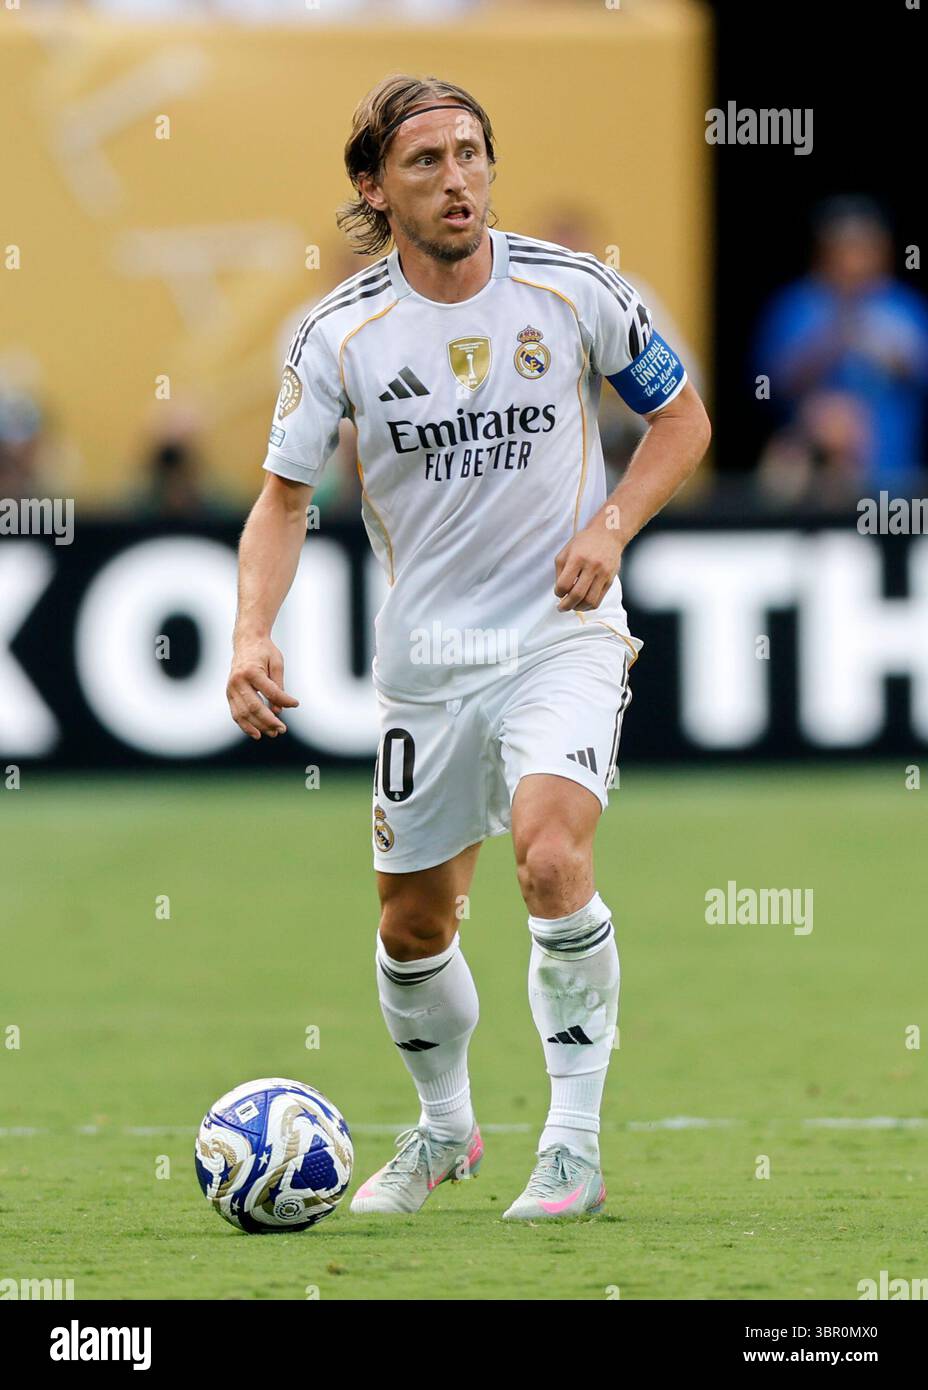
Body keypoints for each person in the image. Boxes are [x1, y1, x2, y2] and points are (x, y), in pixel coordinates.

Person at [227, 75, 710, 1221]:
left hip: (562, 636)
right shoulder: (339, 333)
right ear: (373, 186)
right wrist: (252, 632)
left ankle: (574, 1147)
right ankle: (447, 1130)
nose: (458, 180)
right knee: (412, 924)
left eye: (472, 154)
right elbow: (282, 501)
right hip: (426, 666)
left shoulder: (574, 289)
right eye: (427, 162)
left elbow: (681, 421)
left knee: (549, 858)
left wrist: (608, 525)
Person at [754, 197, 928, 496]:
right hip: (813, 486)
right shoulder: (797, 306)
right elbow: (765, 387)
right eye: (844, 247)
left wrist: (897, 356)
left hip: (895, 485)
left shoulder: (906, 308)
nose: (853, 259)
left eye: (864, 247)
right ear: (823, 252)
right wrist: (830, 342)